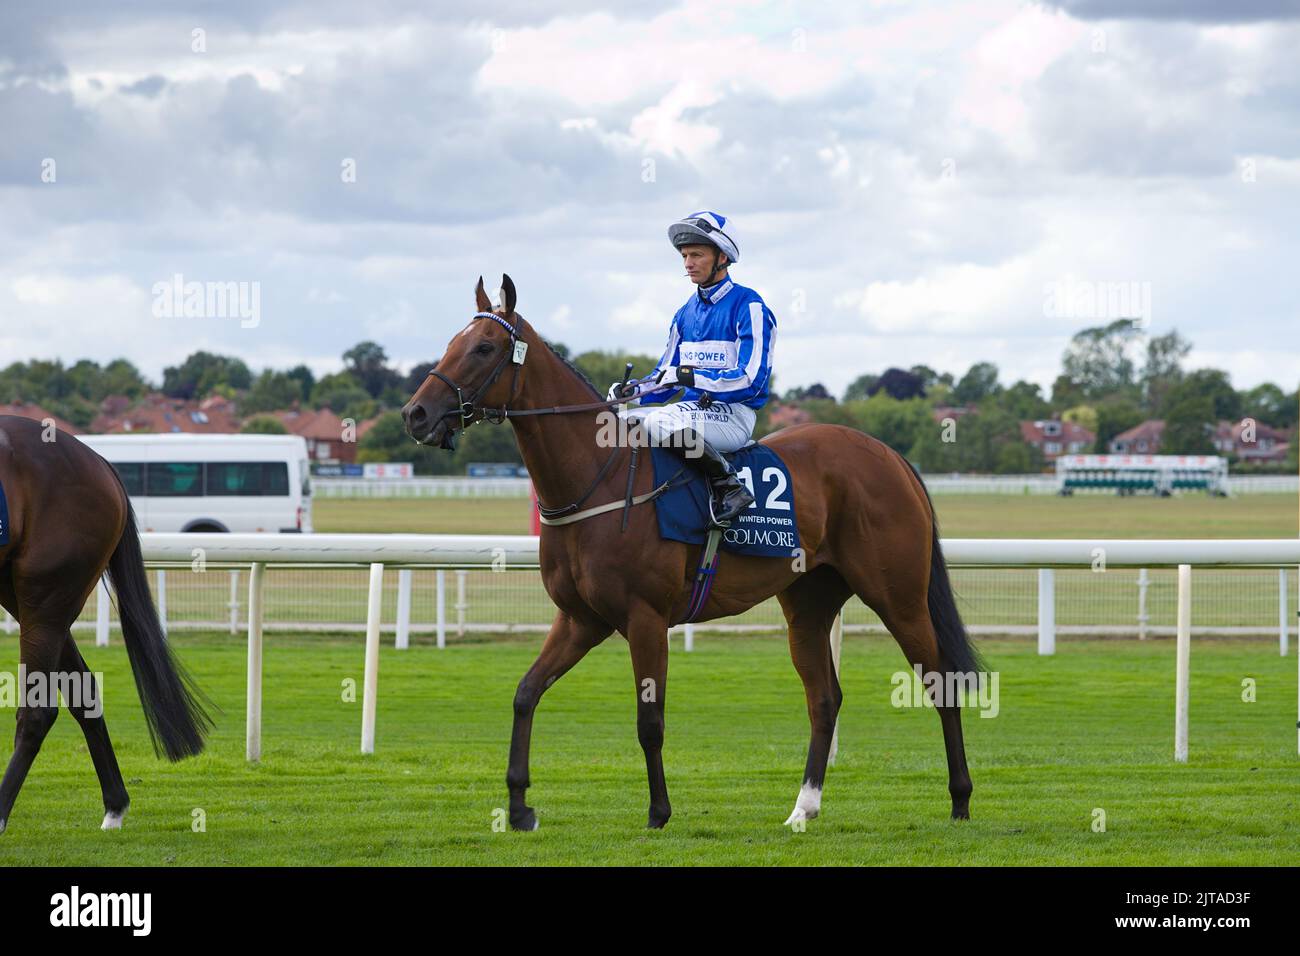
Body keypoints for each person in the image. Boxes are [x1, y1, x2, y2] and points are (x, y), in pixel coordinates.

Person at [607, 211, 778, 526]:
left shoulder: (749, 306)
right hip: (689, 414)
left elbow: (751, 380)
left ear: (722, 257)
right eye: (685, 255)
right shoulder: (683, 314)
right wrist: (630, 393)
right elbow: (665, 378)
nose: (688, 263)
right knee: (615, 424)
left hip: (734, 417)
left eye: (697, 254)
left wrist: (691, 376)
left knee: (660, 421)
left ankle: (730, 488)